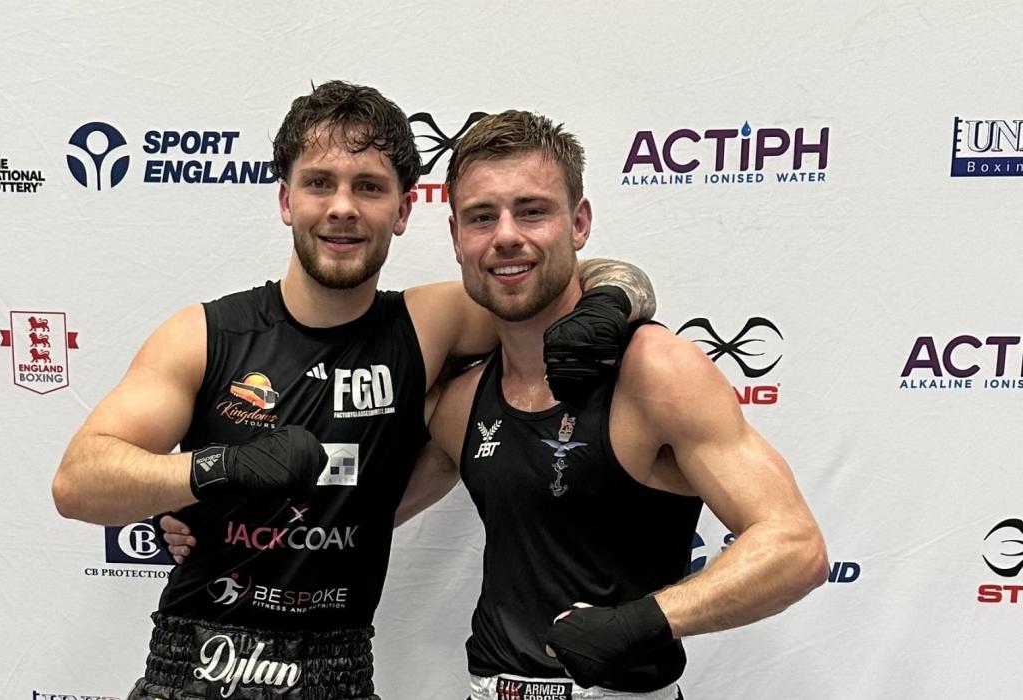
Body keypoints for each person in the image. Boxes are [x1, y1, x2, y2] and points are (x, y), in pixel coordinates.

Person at [51, 82, 656, 700]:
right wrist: (211, 471)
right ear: (287, 200)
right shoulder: (206, 335)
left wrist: (613, 301)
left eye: (368, 186)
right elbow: (77, 484)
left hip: (337, 669)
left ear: (401, 210)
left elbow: (554, 276)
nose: (343, 207)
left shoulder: (430, 325)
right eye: (319, 183)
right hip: (196, 663)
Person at [421, 110, 828, 700]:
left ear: (579, 223)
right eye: (483, 217)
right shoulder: (460, 400)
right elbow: (366, 513)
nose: (507, 234)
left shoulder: (655, 370)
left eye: (532, 210)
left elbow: (795, 546)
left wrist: (642, 623)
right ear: (457, 237)